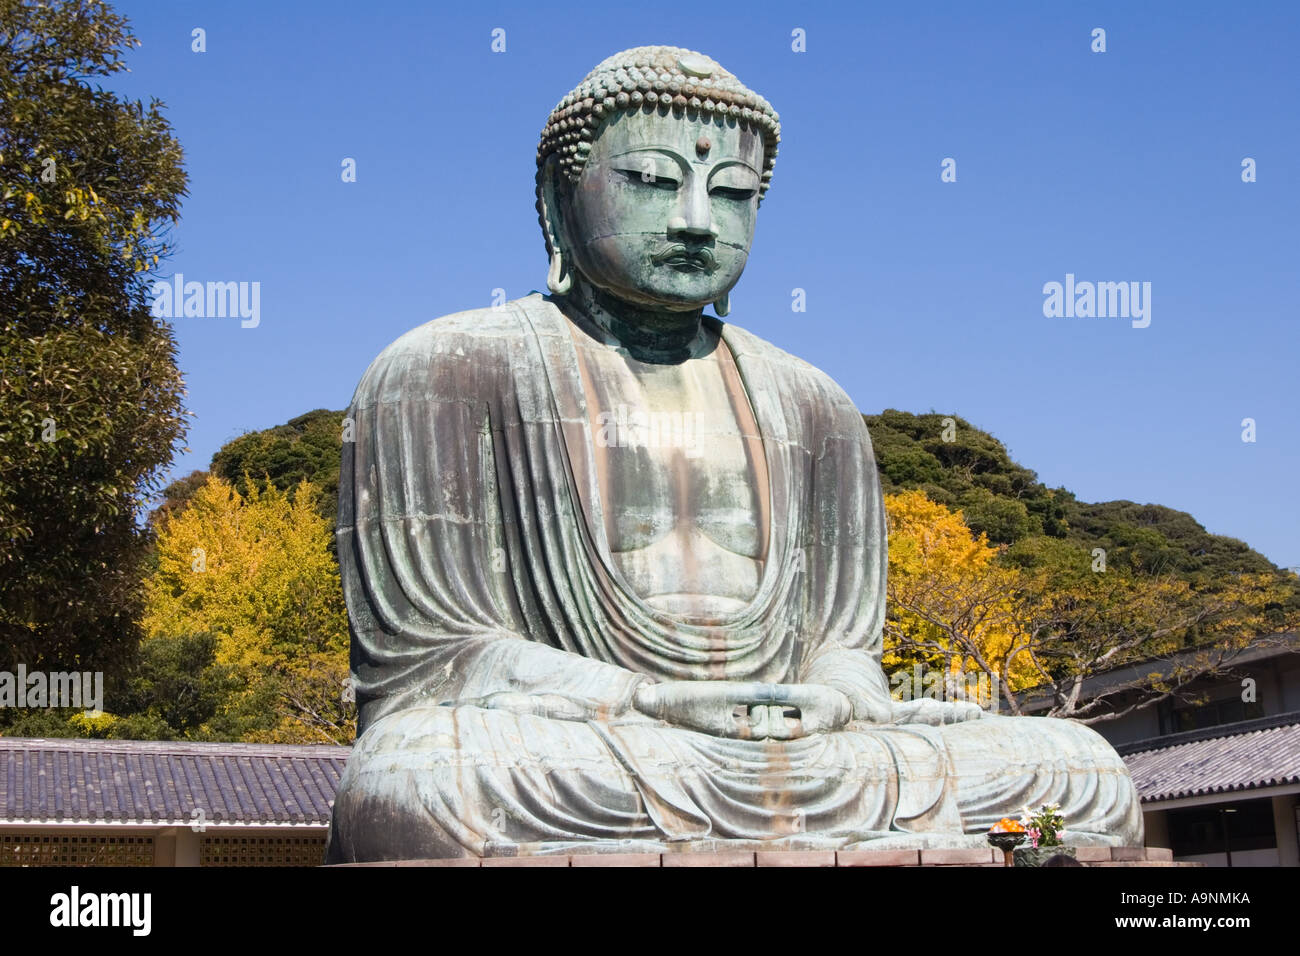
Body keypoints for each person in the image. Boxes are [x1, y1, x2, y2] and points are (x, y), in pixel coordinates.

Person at [324, 46, 1144, 862]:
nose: (694, 219)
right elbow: (436, 661)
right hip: (593, 743)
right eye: (650, 180)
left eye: (733, 194)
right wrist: (646, 699)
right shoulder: (442, 371)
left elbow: (845, 647)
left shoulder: (813, 401)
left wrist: (831, 703)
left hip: (804, 753)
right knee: (421, 777)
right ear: (556, 198)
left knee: (1077, 770)